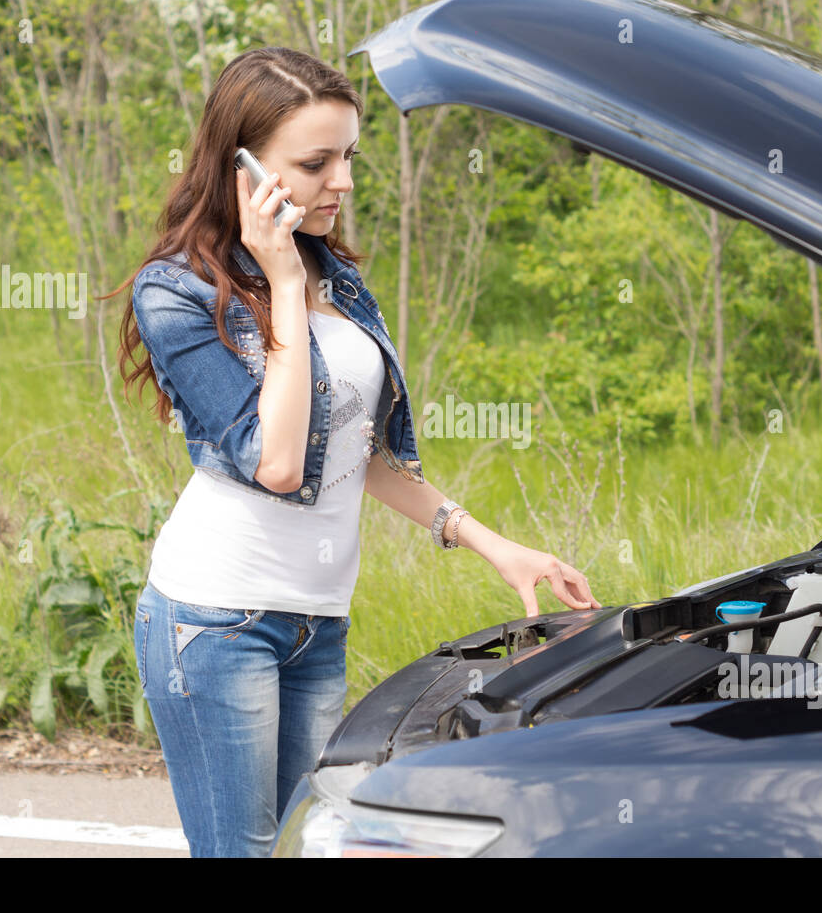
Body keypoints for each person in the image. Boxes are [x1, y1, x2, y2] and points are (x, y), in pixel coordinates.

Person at [108, 47, 600, 857]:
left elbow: (354, 451)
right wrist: (285, 290)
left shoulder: (328, 267)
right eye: (315, 162)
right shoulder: (178, 291)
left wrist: (490, 543)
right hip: (215, 621)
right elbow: (278, 462)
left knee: (312, 847)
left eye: (348, 158)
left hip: (318, 622)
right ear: (242, 170)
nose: (341, 182)